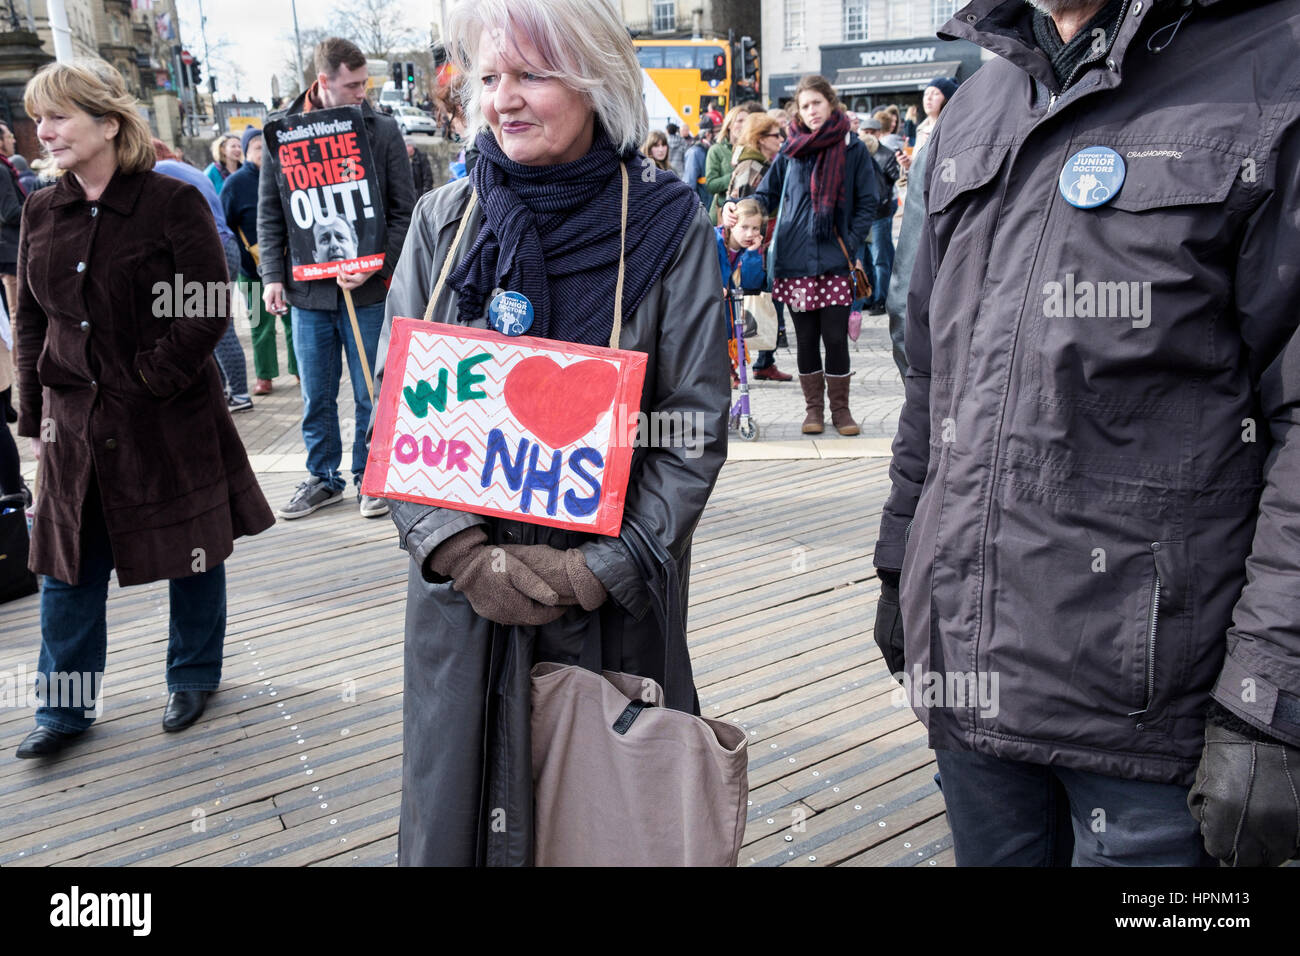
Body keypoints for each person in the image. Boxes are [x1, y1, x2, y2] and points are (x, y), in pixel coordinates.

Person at [875, 0, 1300, 868]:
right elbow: (931, 375)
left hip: (1159, 723)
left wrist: (1269, 699)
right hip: (972, 687)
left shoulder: (1274, 68)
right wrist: (900, 570)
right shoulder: (982, 101)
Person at [379, 0, 727, 866]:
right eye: (491, 77)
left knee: (606, 821)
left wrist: (593, 572)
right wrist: (458, 552)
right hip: (463, 607)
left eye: (532, 74)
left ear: (595, 82)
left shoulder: (668, 227)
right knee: (457, 818)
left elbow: (692, 427)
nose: (505, 99)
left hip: (605, 609)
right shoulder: (442, 221)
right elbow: (398, 403)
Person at [12, 59, 274, 759]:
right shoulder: (42, 208)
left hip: (165, 418)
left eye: (59, 115)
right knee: (65, 567)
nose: (44, 130)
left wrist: (152, 378)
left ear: (107, 121)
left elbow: (209, 304)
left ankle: (194, 675)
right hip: (72, 424)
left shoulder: (169, 201)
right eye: (39, 117)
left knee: (191, 554)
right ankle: (63, 710)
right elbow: (33, 319)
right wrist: (35, 417)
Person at [258, 37, 415, 521]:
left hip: (366, 290)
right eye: (352, 85)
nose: (361, 93)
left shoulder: (383, 130)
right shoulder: (280, 132)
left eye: (364, 84)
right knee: (316, 392)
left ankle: (371, 475)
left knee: (372, 388)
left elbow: (404, 212)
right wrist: (270, 275)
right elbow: (271, 212)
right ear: (323, 81)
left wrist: (374, 263)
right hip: (308, 292)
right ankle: (322, 478)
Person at [723, 75, 878, 437]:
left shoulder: (852, 149)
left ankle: (841, 411)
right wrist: (738, 205)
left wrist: (850, 244)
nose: (811, 111)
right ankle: (814, 411)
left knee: (836, 339)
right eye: (805, 105)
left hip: (835, 261)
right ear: (799, 109)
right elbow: (766, 195)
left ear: (830, 103)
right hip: (794, 263)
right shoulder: (791, 150)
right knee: (806, 340)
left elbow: (868, 202)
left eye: (817, 103)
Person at [152, 139, 254, 413]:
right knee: (215, 322)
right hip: (226, 245)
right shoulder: (189, 169)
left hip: (208, 247)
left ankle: (240, 394)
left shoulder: (155, 171)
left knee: (217, 326)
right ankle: (223, 390)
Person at [221, 126, 296, 396]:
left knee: (292, 323)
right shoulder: (234, 183)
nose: (262, 153)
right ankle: (265, 376)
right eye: (256, 148)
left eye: (265, 147)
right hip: (250, 268)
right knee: (260, 326)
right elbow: (225, 224)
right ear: (244, 152)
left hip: (286, 264)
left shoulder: (284, 174)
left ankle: (298, 370)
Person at [726, 113, 790, 382]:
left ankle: (765, 360)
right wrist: (749, 242)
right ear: (762, 139)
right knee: (753, 301)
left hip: (762, 241)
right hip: (754, 244)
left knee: (767, 298)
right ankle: (748, 362)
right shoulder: (752, 166)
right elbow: (743, 211)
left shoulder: (764, 162)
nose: (782, 140)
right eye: (777, 135)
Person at [715, 198, 766, 388]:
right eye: (744, 227)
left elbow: (751, 284)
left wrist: (753, 253)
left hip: (728, 305)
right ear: (732, 223)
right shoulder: (715, 240)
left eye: (755, 228)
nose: (750, 234)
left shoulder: (747, 249)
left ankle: (728, 368)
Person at [858, 116, 899, 317]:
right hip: (863, 215)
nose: (867, 134)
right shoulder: (857, 152)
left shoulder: (886, 154)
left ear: (878, 133)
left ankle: (881, 299)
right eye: (864, 131)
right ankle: (869, 296)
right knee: (866, 259)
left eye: (871, 131)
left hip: (879, 214)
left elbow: (893, 181)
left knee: (879, 258)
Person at [704, 102, 762, 224]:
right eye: (739, 120)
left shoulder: (754, 150)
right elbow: (711, 185)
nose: (743, 125)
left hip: (749, 213)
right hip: (723, 213)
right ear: (729, 124)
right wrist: (735, 176)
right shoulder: (716, 150)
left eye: (746, 121)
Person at [0, 122, 26, 344]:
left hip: (8, 252)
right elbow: (9, 212)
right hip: (10, 254)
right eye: (9, 136)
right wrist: (37, 205)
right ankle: (21, 370)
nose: (14, 140)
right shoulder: (1, 169)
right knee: (19, 314)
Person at [915, 77, 955, 153]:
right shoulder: (921, 128)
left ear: (947, 100)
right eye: (926, 94)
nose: (928, 98)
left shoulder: (952, 128)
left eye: (935, 94)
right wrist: (908, 163)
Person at [683, 115, 714, 208]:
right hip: (701, 207)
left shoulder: (707, 149)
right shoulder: (695, 152)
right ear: (708, 134)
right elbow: (689, 184)